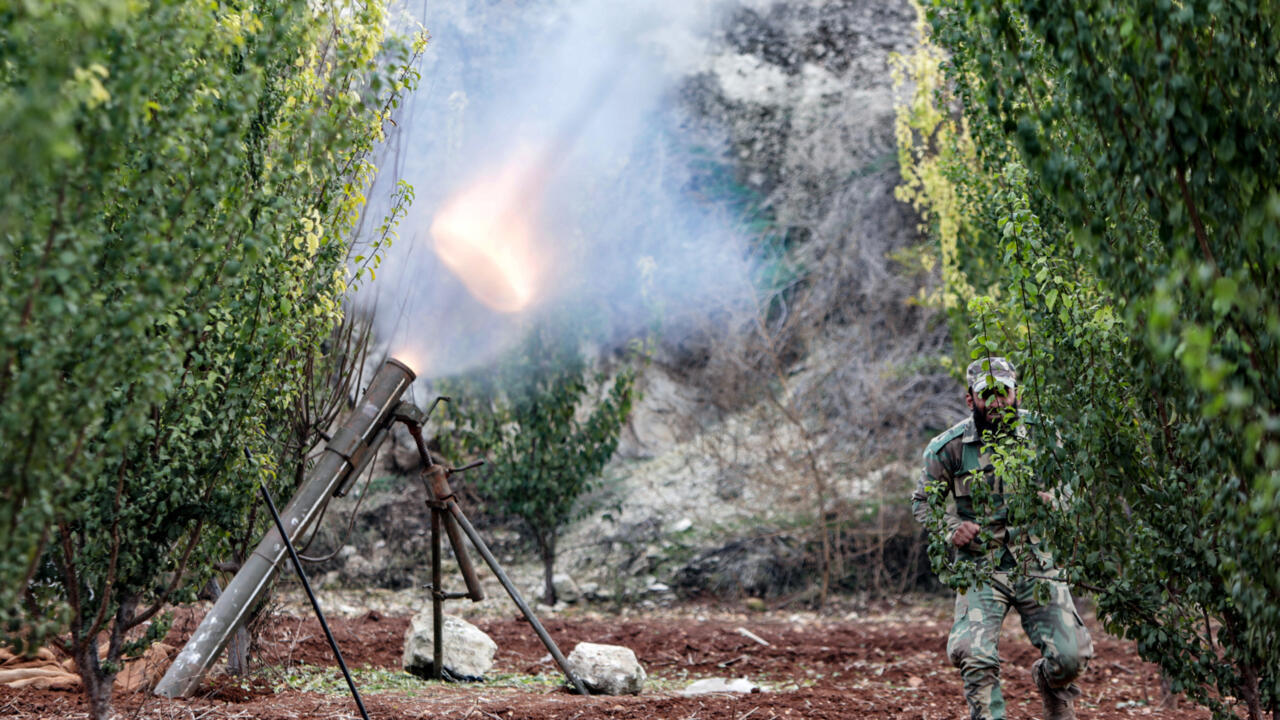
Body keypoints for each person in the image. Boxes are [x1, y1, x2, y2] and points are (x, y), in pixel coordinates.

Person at [912, 356, 1093, 720]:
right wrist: (951, 528)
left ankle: (1050, 684)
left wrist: (1056, 500)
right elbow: (922, 502)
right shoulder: (949, 447)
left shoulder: (1045, 434)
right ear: (970, 400)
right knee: (973, 654)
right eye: (986, 395)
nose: (996, 402)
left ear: (1016, 394)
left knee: (1071, 658)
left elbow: (1076, 484)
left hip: (1036, 561)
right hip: (981, 567)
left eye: (1003, 393)